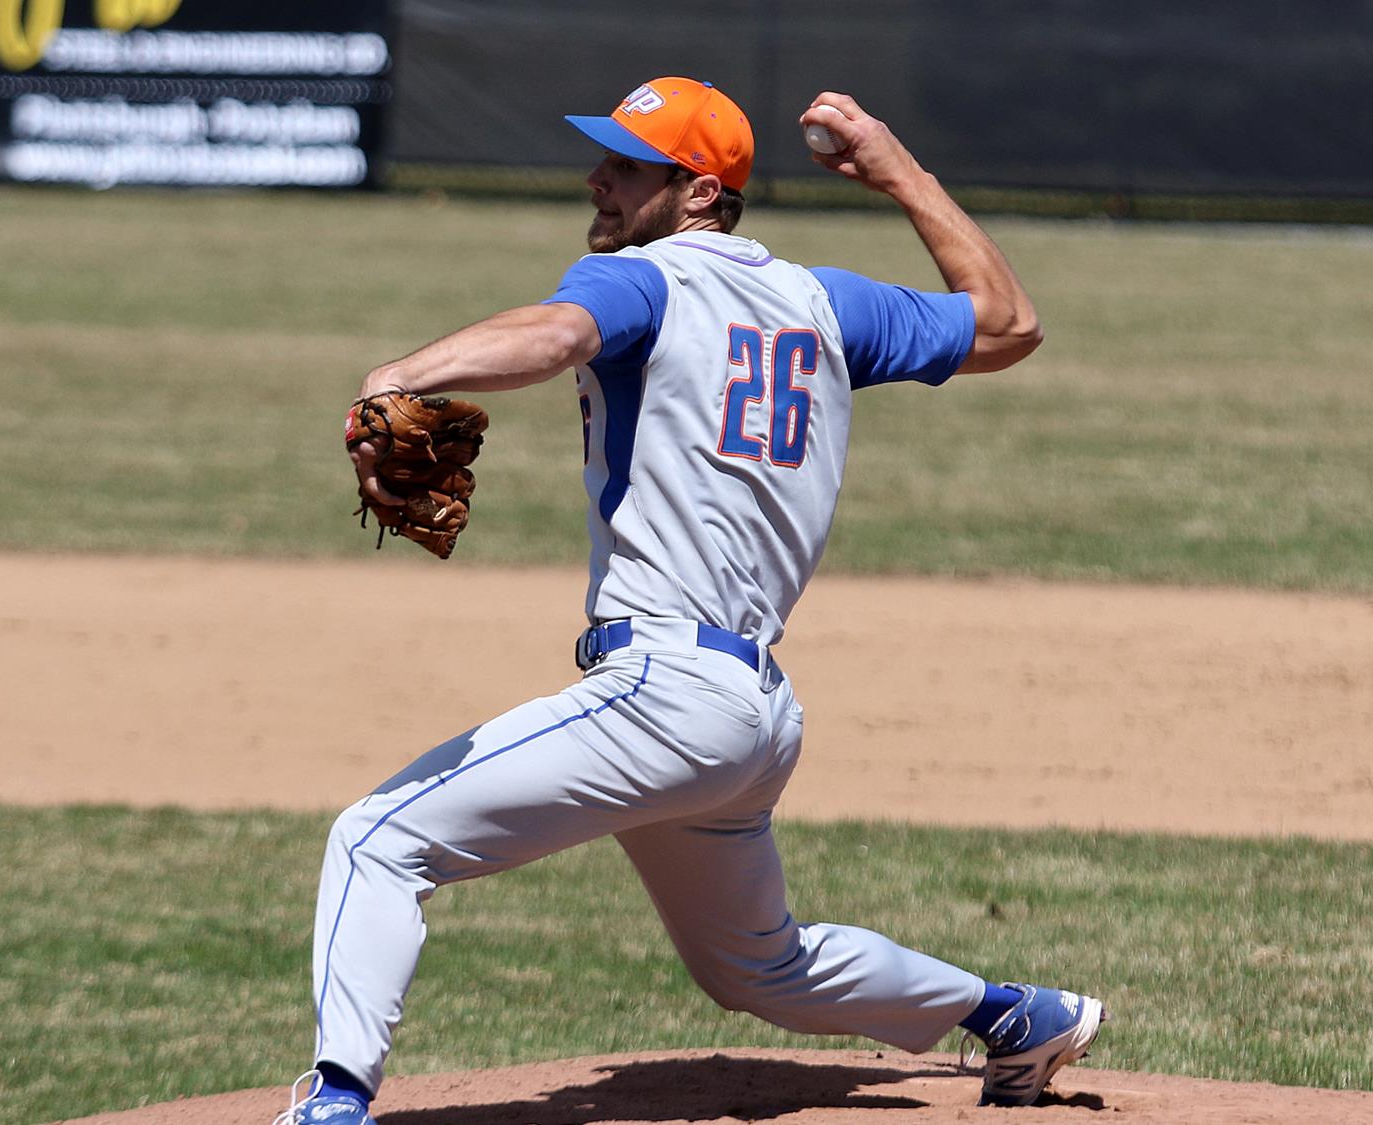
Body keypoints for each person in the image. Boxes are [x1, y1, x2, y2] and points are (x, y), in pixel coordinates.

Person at [274, 78, 1105, 1125]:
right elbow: (1008, 324)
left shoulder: (643, 279)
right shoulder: (825, 301)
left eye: (627, 166)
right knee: (762, 969)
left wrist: (401, 372)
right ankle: (1016, 1014)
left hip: (664, 695)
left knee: (375, 840)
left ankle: (334, 1104)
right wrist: (893, 166)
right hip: (750, 717)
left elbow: (558, 333)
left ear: (699, 192)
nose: (599, 179)